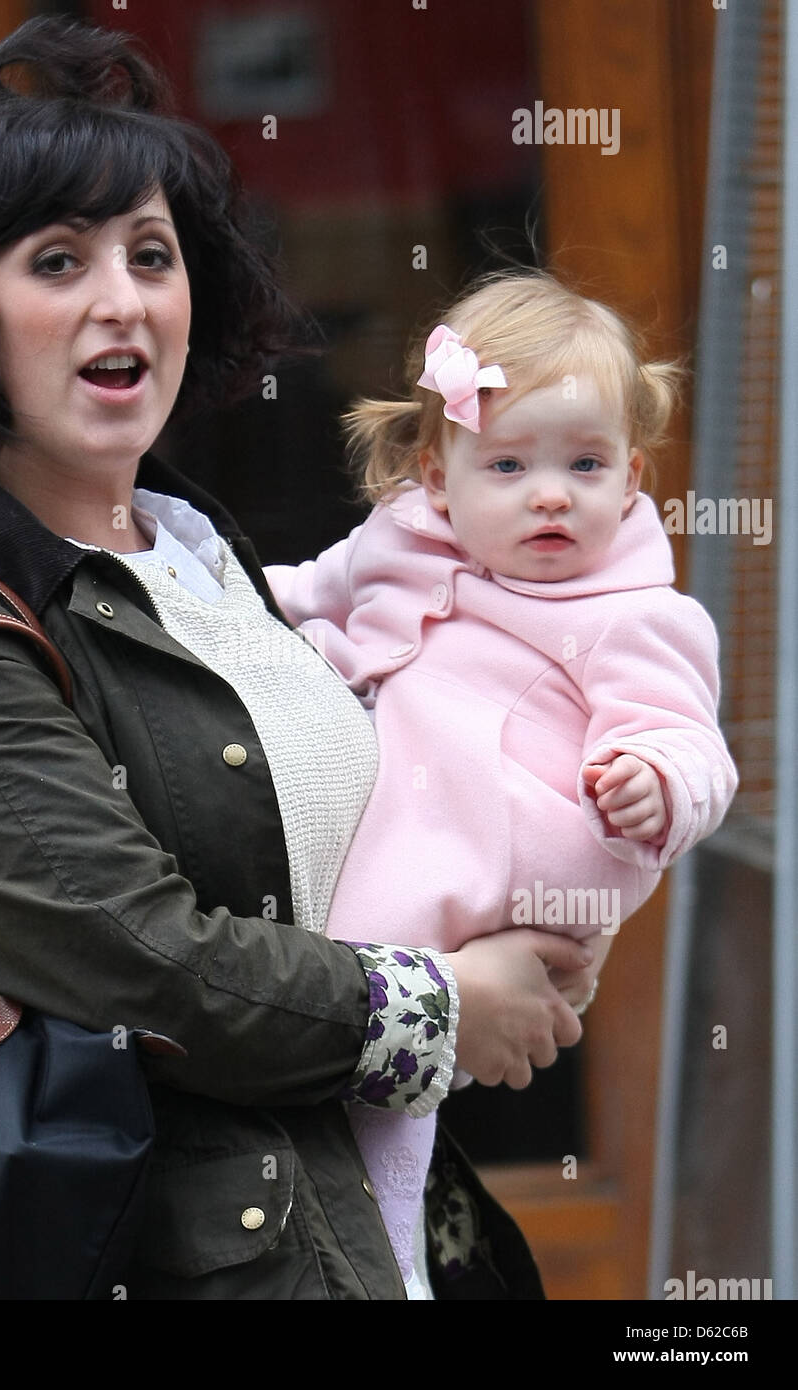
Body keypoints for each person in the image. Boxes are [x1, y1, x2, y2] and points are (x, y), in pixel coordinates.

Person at [0, 18, 592, 1300]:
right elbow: (147, 963)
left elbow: (363, 832)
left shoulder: (199, 558)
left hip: (378, 1237)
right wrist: (446, 1008)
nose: (121, 297)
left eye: (152, 254)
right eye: (58, 261)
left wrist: (546, 898)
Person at [265, 271, 739, 1291]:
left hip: (513, 869)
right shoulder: (395, 537)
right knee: (359, 1094)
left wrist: (655, 781)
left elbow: (696, 747)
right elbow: (296, 594)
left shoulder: (635, 615)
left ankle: (387, 1271)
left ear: (633, 477)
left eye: (585, 462)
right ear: (439, 478)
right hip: (408, 864)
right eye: (511, 464)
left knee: (376, 1099)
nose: (552, 492)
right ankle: (378, 1260)